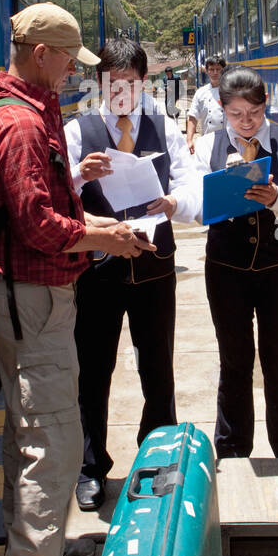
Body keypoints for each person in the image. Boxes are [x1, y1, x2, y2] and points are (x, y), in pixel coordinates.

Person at [0, 4, 154, 556]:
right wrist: (104, 241)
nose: (72, 75)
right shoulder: (21, 125)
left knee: (35, 431)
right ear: (42, 53)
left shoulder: (27, 109)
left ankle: (39, 554)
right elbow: (38, 226)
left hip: (37, 296)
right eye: (67, 61)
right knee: (47, 443)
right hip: (34, 299)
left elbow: (57, 206)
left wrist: (102, 226)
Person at [65, 38, 199, 510]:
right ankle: (90, 466)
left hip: (155, 264)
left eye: (130, 83)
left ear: (145, 83)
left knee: (157, 363)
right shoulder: (78, 131)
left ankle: (158, 460)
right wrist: (80, 174)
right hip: (98, 267)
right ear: (98, 83)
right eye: (112, 83)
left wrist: (173, 202)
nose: (121, 92)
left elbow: (188, 182)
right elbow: (59, 193)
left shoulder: (162, 126)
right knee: (93, 367)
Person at [193, 67, 278, 462]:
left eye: (254, 112)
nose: (246, 122)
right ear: (221, 109)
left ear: (267, 104)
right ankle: (232, 451)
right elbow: (197, 207)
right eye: (236, 114)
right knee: (234, 360)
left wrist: (276, 196)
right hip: (226, 271)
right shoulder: (205, 148)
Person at [186, 55, 226, 153]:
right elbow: (193, 117)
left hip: (228, 141)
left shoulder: (231, 90)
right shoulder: (200, 92)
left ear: (223, 70)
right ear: (207, 71)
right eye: (212, 69)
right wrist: (189, 139)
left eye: (218, 69)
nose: (215, 72)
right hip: (207, 141)